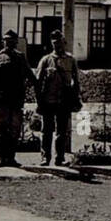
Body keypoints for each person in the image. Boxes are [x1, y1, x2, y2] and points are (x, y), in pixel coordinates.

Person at [0, 29, 38, 168]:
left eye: (12, 41)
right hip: (2, 101)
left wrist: (39, 87)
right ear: (3, 42)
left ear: (16, 42)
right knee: (2, 129)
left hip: (16, 100)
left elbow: (29, 75)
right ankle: (2, 158)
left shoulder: (20, 57)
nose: (9, 43)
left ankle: (12, 158)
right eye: (7, 41)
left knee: (15, 129)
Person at [35, 29, 81, 167]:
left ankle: (59, 158)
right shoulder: (46, 60)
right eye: (55, 43)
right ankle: (45, 158)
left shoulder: (71, 60)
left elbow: (76, 81)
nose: (58, 46)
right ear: (52, 44)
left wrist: (75, 98)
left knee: (62, 132)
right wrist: (39, 101)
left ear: (64, 43)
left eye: (60, 43)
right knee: (46, 131)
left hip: (64, 101)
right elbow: (38, 82)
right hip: (48, 101)